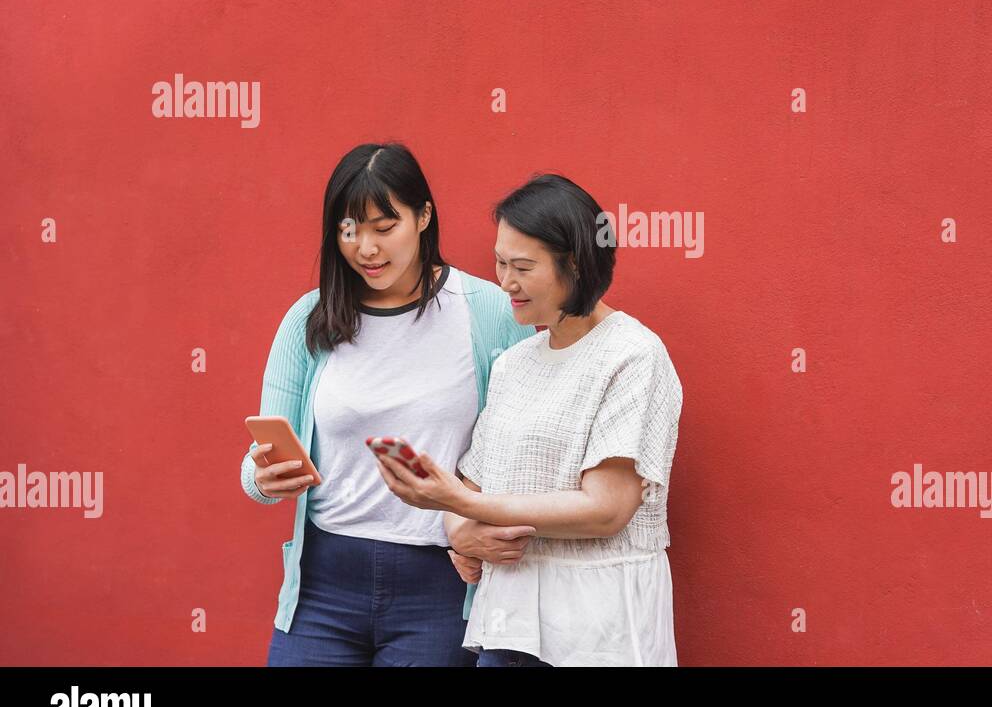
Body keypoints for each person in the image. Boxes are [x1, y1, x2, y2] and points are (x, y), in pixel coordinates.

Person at [239, 141, 536, 665]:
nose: (367, 248)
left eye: (384, 226)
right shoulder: (309, 320)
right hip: (322, 585)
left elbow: (526, 446)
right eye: (349, 230)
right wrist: (260, 478)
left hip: (441, 585)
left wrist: (483, 533)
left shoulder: (486, 311)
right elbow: (264, 452)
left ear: (423, 217)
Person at [377, 173, 684, 666]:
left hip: (597, 629)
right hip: (509, 625)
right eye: (500, 262)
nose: (505, 282)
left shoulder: (633, 355)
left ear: (577, 266)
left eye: (522, 267)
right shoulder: (514, 363)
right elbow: (474, 486)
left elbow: (607, 509)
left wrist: (454, 499)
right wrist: (458, 528)